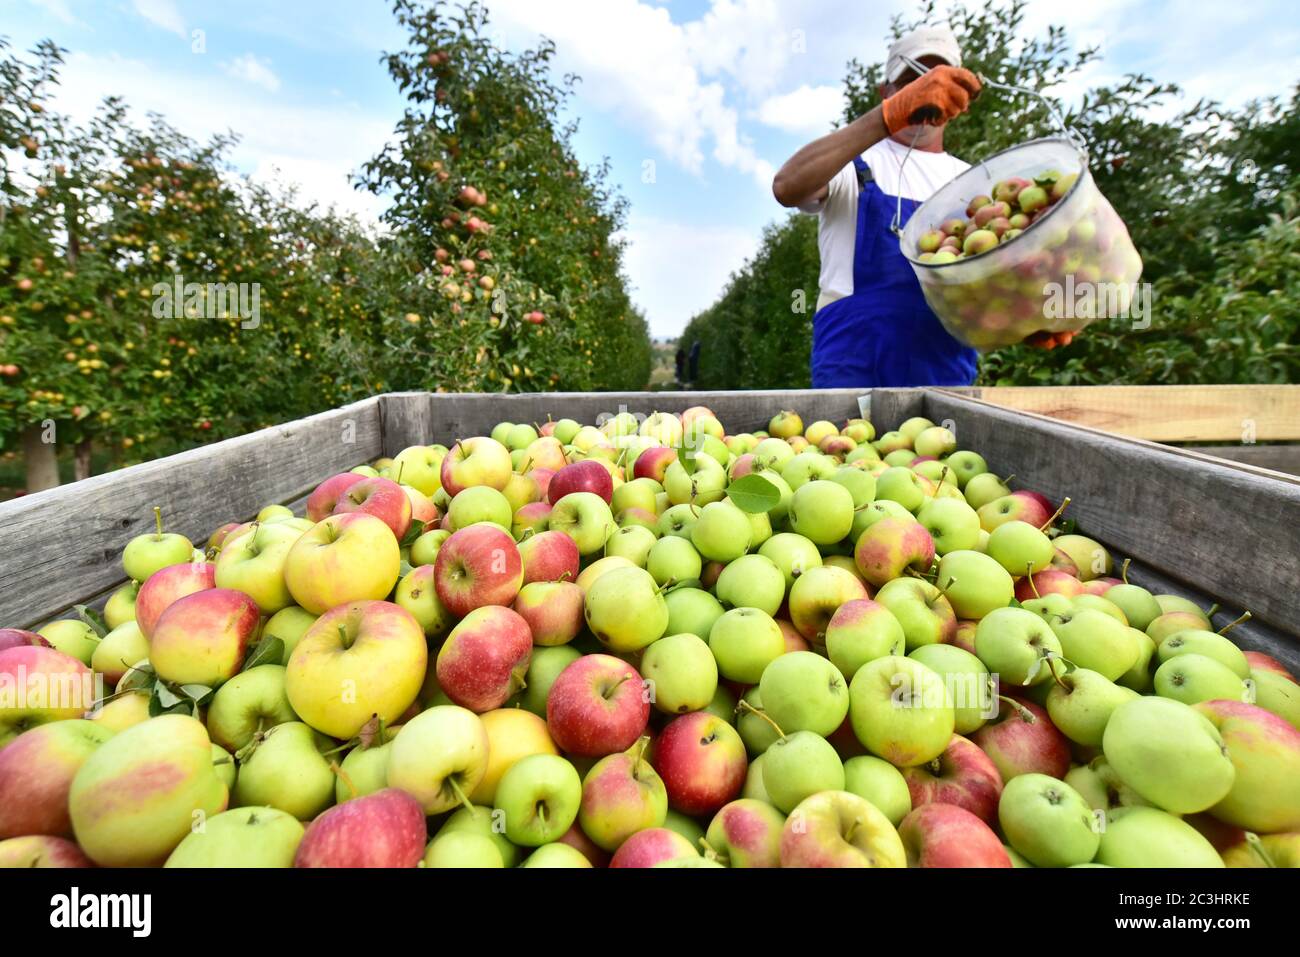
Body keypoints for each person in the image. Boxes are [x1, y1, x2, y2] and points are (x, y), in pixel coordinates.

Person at [773, 25, 984, 388]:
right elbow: (787, 186)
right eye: (912, 82)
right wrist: (885, 118)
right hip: (853, 367)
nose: (925, 93)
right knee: (842, 445)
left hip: (944, 370)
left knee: (946, 447)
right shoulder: (852, 163)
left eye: (939, 82)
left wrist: (1026, 321)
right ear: (886, 92)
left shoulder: (972, 184)